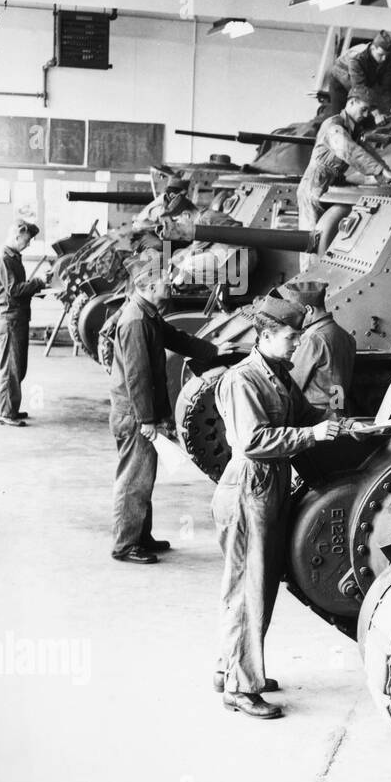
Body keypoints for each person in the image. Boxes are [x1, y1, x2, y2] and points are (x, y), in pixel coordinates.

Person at [212, 294, 343, 718]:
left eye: (300, 336)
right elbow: (253, 441)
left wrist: (346, 426)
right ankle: (240, 687)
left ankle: (231, 667)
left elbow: (305, 417)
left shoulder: (278, 375)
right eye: (291, 336)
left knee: (260, 584)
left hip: (270, 486)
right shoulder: (242, 380)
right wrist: (313, 437)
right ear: (266, 335)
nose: (297, 343)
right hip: (249, 484)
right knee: (247, 588)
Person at [108, 255, 221, 564]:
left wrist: (214, 351)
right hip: (133, 415)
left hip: (138, 413)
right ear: (147, 285)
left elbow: (176, 338)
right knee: (134, 480)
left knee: (143, 476)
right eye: (163, 279)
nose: (170, 282)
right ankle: (125, 545)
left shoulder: (147, 314)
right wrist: (146, 419)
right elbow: (137, 376)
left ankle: (140, 536)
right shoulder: (135, 321)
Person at [297, 86, 391, 252]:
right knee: (312, 242)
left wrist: (387, 174)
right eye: (364, 109)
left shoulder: (352, 130)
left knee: (326, 241)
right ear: (351, 102)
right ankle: (306, 275)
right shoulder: (334, 125)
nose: (366, 114)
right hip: (314, 185)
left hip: (330, 184)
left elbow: (367, 151)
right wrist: (379, 172)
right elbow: (348, 150)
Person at [0, 219, 51, 427]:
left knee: (19, 367)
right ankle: (5, 413)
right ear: (16, 236)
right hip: (10, 320)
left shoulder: (14, 257)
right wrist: (39, 282)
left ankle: (11, 408)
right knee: (11, 369)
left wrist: (39, 289)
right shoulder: (4, 259)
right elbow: (14, 290)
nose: (28, 244)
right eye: (26, 240)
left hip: (18, 318)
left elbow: (19, 290)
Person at [278, 279, 355, 416]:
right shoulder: (347, 337)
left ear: (309, 309)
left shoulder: (312, 339)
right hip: (339, 412)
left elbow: (293, 385)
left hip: (316, 416)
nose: (294, 317)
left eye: (296, 311)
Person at [321, 30, 391, 119]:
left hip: (360, 84)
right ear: (373, 48)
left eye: (386, 55)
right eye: (381, 55)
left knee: (364, 118)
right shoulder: (357, 58)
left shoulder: (387, 60)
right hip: (340, 83)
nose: (384, 59)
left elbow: (386, 88)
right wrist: (376, 114)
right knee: (340, 118)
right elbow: (359, 89)